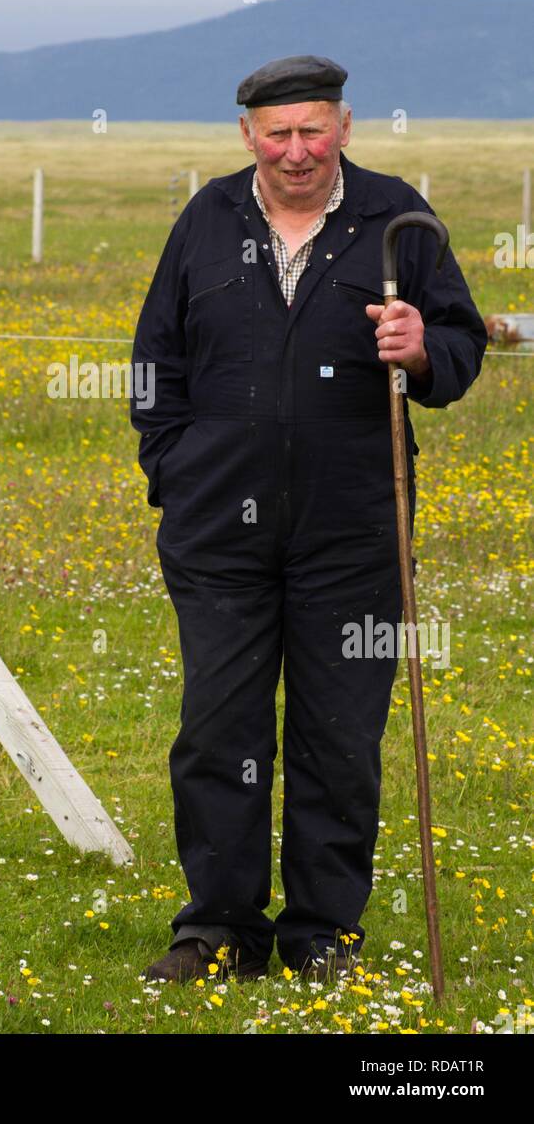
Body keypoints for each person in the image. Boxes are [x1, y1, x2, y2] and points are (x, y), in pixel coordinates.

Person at [129, 55, 487, 985]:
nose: (297, 151)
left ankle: (321, 931)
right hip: (218, 536)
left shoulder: (395, 219)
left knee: (338, 736)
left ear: (346, 127)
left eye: (314, 130)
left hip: (356, 532)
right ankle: (217, 930)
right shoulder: (208, 220)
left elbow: (460, 341)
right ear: (247, 134)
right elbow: (152, 361)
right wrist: (171, 468)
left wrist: (420, 353)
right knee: (219, 732)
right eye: (278, 133)